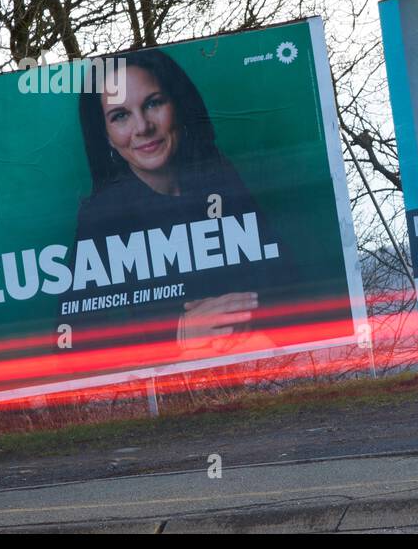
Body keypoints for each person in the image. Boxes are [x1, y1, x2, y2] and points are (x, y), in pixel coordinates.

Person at [65, 49, 290, 354]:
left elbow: (285, 278)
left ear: (178, 105)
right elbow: (72, 340)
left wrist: (241, 315)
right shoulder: (101, 215)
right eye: (120, 116)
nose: (143, 127)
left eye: (153, 103)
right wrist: (178, 333)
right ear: (104, 135)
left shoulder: (219, 178)